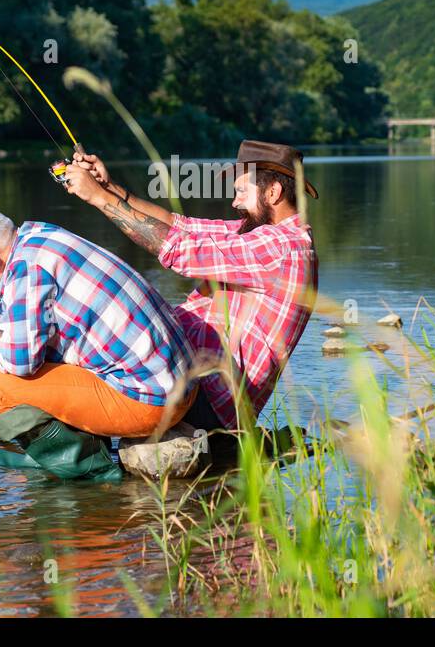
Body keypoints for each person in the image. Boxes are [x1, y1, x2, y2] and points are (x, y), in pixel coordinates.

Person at [62, 140, 318, 431]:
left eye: (242, 192)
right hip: (194, 382)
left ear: (273, 192)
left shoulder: (282, 248)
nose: (234, 203)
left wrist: (99, 199)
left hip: (209, 402)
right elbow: (178, 225)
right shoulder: (258, 234)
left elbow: (178, 249)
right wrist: (109, 189)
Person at [0, 205, 199, 444]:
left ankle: (79, 467)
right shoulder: (38, 237)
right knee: (23, 356)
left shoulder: (28, 272)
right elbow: (6, 324)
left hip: (152, 402)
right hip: (179, 383)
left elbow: (18, 363)